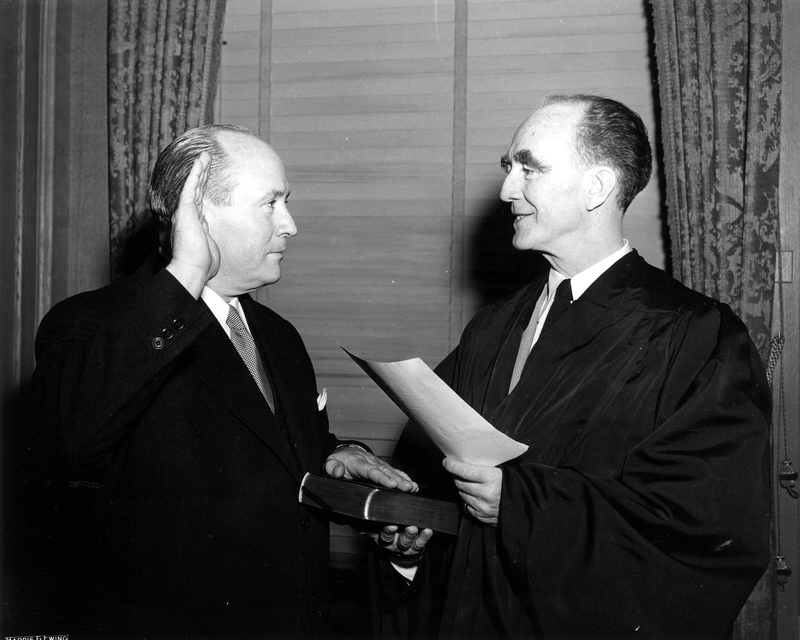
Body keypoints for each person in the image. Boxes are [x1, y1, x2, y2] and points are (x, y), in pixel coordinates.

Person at [374, 95, 772, 639]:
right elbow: (427, 472)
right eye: (507, 168)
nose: (506, 190)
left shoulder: (697, 335)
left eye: (528, 169)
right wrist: (411, 530)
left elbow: (701, 532)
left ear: (597, 188)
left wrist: (522, 505)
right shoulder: (493, 326)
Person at [23, 124, 418, 639]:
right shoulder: (90, 325)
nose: (291, 225)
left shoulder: (277, 335)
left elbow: (271, 454)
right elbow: (69, 445)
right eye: (270, 203)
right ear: (199, 213)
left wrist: (340, 455)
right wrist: (186, 269)